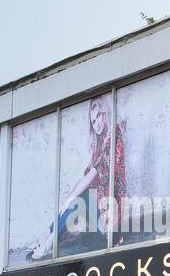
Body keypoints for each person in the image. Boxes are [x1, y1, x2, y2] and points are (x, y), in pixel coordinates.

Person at [29, 96, 126, 260]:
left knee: (80, 197)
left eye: (98, 116)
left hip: (113, 223)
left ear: (105, 113)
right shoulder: (99, 144)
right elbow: (83, 178)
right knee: (76, 197)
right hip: (101, 215)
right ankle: (47, 235)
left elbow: (92, 175)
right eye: (93, 121)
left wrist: (70, 199)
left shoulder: (115, 136)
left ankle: (48, 241)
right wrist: (65, 202)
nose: (96, 124)